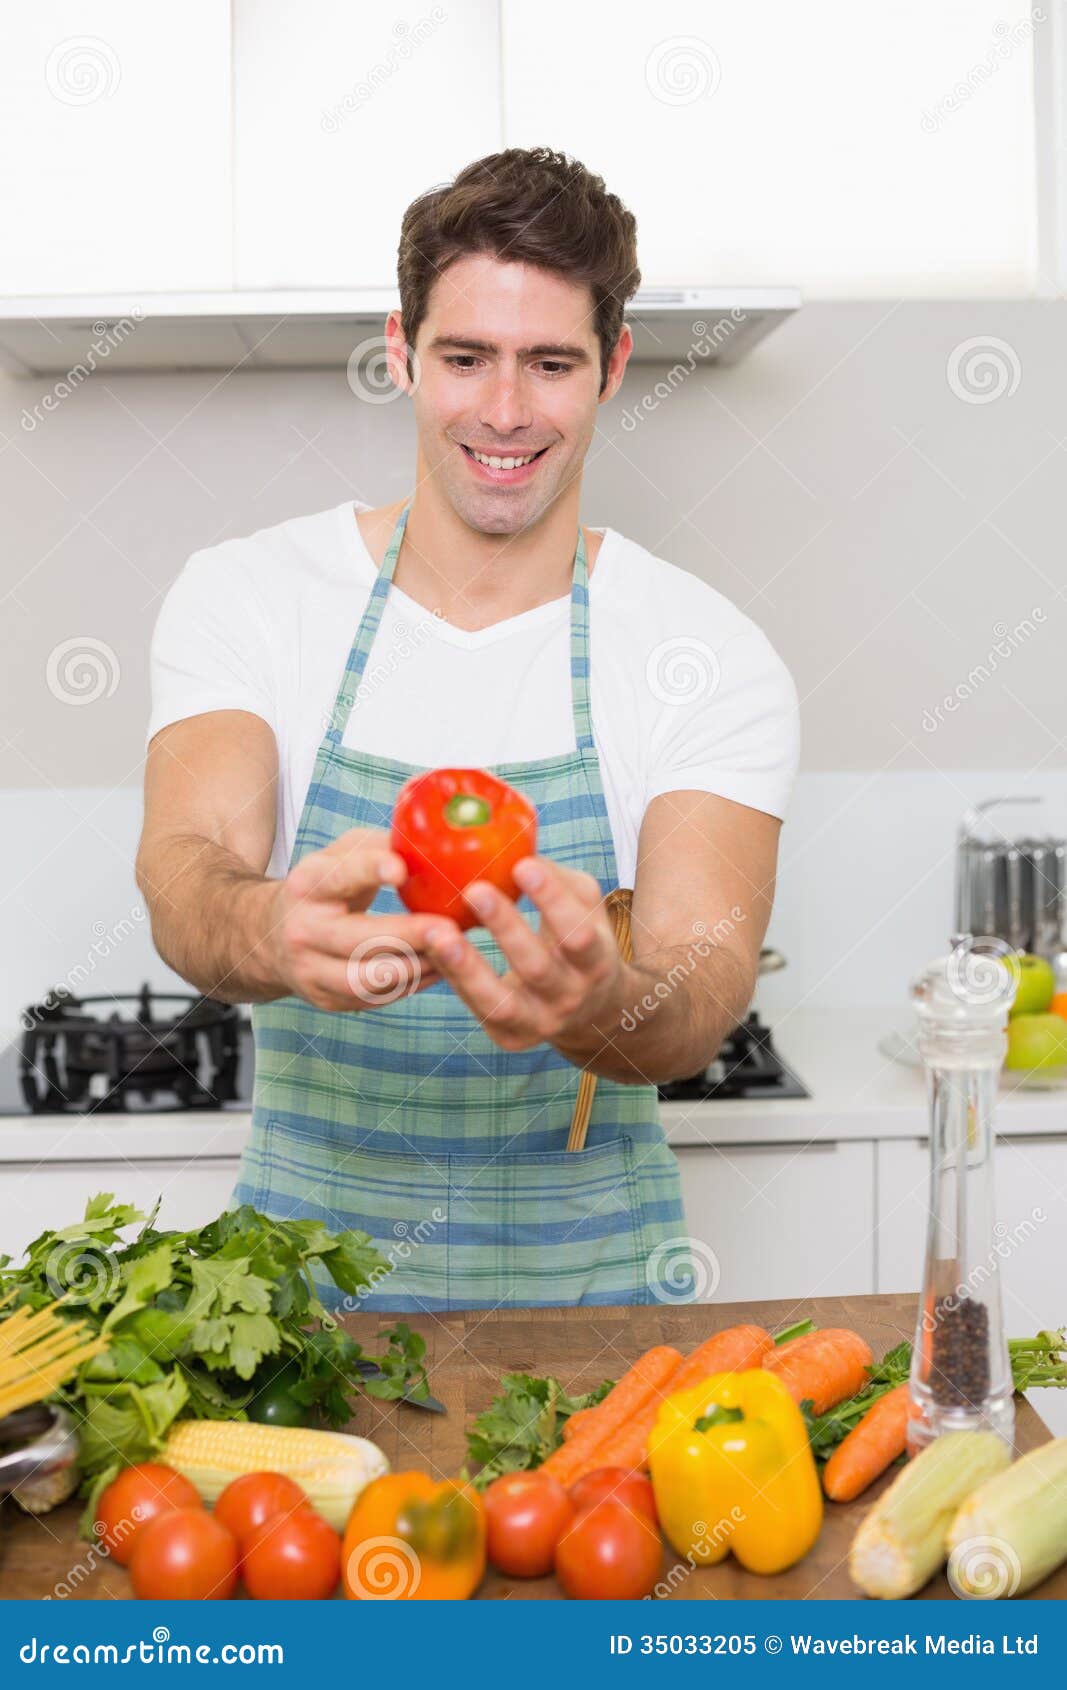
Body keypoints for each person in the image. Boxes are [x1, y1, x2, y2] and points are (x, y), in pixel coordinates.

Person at [137, 148, 799, 1311]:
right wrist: (266, 927)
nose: (503, 411)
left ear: (611, 368)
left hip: (600, 1331)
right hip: (291, 1319)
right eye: (464, 358)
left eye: (549, 362)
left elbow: (701, 986)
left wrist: (598, 1008)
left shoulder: (706, 650)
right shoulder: (248, 595)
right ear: (399, 352)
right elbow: (183, 872)